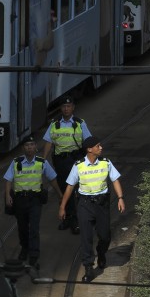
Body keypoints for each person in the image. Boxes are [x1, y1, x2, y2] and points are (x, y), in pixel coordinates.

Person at [58, 136, 126, 282]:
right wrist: (63, 207)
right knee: (86, 237)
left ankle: (101, 253)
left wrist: (120, 198)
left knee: (105, 235)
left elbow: (115, 180)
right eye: (98, 146)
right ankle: (88, 268)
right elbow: (70, 187)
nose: (101, 148)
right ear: (89, 149)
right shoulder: (78, 166)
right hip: (85, 204)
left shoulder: (106, 163)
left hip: (102, 204)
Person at [3, 135, 60, 267]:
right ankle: (25, 248)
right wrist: (7, 196)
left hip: (35, 200)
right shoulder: (16, 162)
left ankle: (34, 254)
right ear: (23, 148)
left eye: (32, 144)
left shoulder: (42, 162)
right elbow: (8, 181)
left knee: (34, 228)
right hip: (20, 200)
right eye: (27, 145)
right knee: (22, 228)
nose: (30, 147)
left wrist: (60, 194)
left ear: (35, 147)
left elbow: (52, 179)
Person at [42, 96, 92, 233]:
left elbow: (88, 142)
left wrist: (90, 161)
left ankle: (75, 221)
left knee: (74, 190)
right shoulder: (55, 124)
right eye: (63, 106)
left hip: (75, 161)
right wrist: (43, 160)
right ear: (60, 108)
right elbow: (48, 142)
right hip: (60, 162)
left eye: (68, 106)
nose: (66, 109)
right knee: (64, 190)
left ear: (73, 108)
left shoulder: (79, 123)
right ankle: (67, 218)